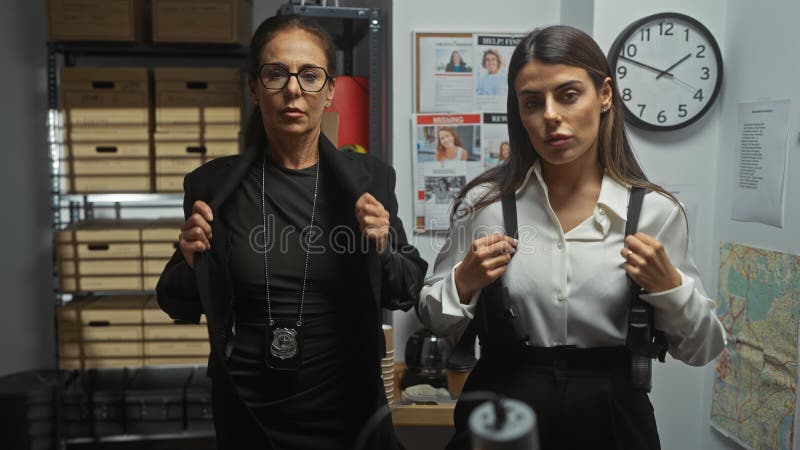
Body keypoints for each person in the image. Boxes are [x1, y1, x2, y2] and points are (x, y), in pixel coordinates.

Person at [418, 25, 725, 450]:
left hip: (613, 424)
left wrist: (670, 288)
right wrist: (463, 282)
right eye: (531, 102)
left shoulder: (654, 213)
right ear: (518, 113)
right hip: (504, 419)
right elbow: (435, 321)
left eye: (567, 95)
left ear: (604, 95)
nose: (549, 116)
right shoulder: (485, 205)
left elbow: (702, 349)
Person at [156, 15, 427, 450]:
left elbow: (406, 287)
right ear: (254, 87)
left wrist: (385, 248)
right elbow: (174, 300)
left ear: (330, 90)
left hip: (347, 408)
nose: (293, 89)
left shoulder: (370, 180)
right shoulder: (211, 186)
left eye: (310, 75)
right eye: (276, 73)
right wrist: (189, 261)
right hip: (249, 410)